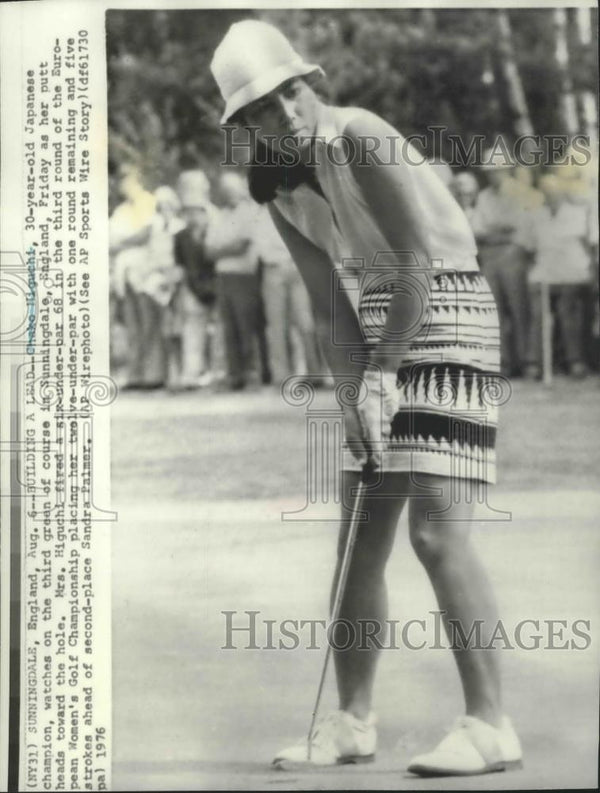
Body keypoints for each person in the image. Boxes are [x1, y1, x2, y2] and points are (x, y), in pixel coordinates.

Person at [211, 20, 521, 776]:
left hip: (448, 315)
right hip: (377, 323)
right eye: (263, 107)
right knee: (358, 538)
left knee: (436, 534)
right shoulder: (279, 189)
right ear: (245, 124)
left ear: (308, 84)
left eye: (290, 92)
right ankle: (352, 720)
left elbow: (417, 260)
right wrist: (352, 396)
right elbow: (329, 307)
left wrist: (385, 369)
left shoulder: (361, 134)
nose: (284, 111)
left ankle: (490, 725)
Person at [516, 174, 596, 378]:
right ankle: (534, 363)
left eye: (554, 191)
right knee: (538, 317)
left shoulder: (579, 213)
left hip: (573, 274)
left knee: (568, 315)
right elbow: (528, 247)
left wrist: (591, 272)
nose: (551, 195)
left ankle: (575, 362)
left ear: (562, 192)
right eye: (546, 191)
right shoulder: (535, 215)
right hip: (543, 273)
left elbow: (590, 246)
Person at [205, 171, 271, 390]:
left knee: (247, 325)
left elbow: (242, 245)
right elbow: (208, 250)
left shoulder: (250, 212)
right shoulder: (220, 215)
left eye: (232, 189)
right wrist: (225, 249)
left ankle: (253, 373)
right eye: (225, 189)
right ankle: (235, 375)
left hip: (245, 275)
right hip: (224, 276)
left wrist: (221, 249)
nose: (229, 193)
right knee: (229, 327)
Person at [470, 150, 533, 377]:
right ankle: (503, 362)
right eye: (490, 171)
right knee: (493, 312)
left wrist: (495, 231)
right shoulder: (484, 196)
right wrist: (501, 231)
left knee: (519, 309)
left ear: (506, 170)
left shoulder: (520, 193)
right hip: (490, 256)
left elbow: (521, 228)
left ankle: (527, 361)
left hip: (512, 256)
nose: (494, 175)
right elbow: (477, 230)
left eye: (498, 170)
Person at [255, 207, 326, 388]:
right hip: (273, 268)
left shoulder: (292, 206)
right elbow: (262, 247)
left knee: (305, 322)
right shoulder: (260, 214)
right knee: (276, 324)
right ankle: (281, 376)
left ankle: (315, 373)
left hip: (296, 266)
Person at [108, 167, 161, 388]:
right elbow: (110, 241)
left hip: (145, 271)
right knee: (132, 325)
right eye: (121, 183)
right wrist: (125, 241)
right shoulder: (120, 211)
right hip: (125, 273)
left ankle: (153, 374)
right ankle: (135, 374)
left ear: (136, 180)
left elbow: (146, 234)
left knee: (148, 323)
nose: (123, 187)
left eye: (126, 181)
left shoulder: (148, 201)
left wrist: (123, 242)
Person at [173, 170, 221, 389]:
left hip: (217, 282)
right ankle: (192, 374)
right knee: (193, 329)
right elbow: (180, 263)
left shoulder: (217, 218)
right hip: (192, 285)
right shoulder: (180, 231)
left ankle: (218, 372)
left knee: (218, 329)